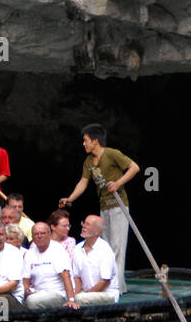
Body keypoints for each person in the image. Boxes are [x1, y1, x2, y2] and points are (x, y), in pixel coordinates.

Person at [59, 123, 140, 294]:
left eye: (85, 140)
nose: (84, 144)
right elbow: (83, 182)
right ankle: (106, 283)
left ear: (95, 141)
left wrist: (118, 183)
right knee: (105, 247)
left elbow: (134, 167)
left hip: (119, 206)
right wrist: (70, 198)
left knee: (117, 247)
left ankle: (117, 288)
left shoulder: (112, 154)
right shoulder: (89, 161)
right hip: (104, 207)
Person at [22, 221, 75, 309]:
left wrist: (71, 300)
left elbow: (66, 276)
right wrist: (26, 291)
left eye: (43, 233)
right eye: (36, 234)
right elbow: (25, 280)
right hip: (37, 293)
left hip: (57, 293)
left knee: (32, 301)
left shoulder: (57, 250)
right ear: (32, 237)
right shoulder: (29, 254)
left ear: (49, 235)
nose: (39, 236)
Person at [70, 214, 120, 306]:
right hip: (86, 294)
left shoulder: (104, 249)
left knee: (79, 299)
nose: (84, 226)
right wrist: (73, 297)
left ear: (97, 232)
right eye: (84, 223)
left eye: (88, 224)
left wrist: (85, 295)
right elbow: (77, 278)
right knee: (70, 298)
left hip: (106, 294)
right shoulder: (77, 248)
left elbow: (105, 281)